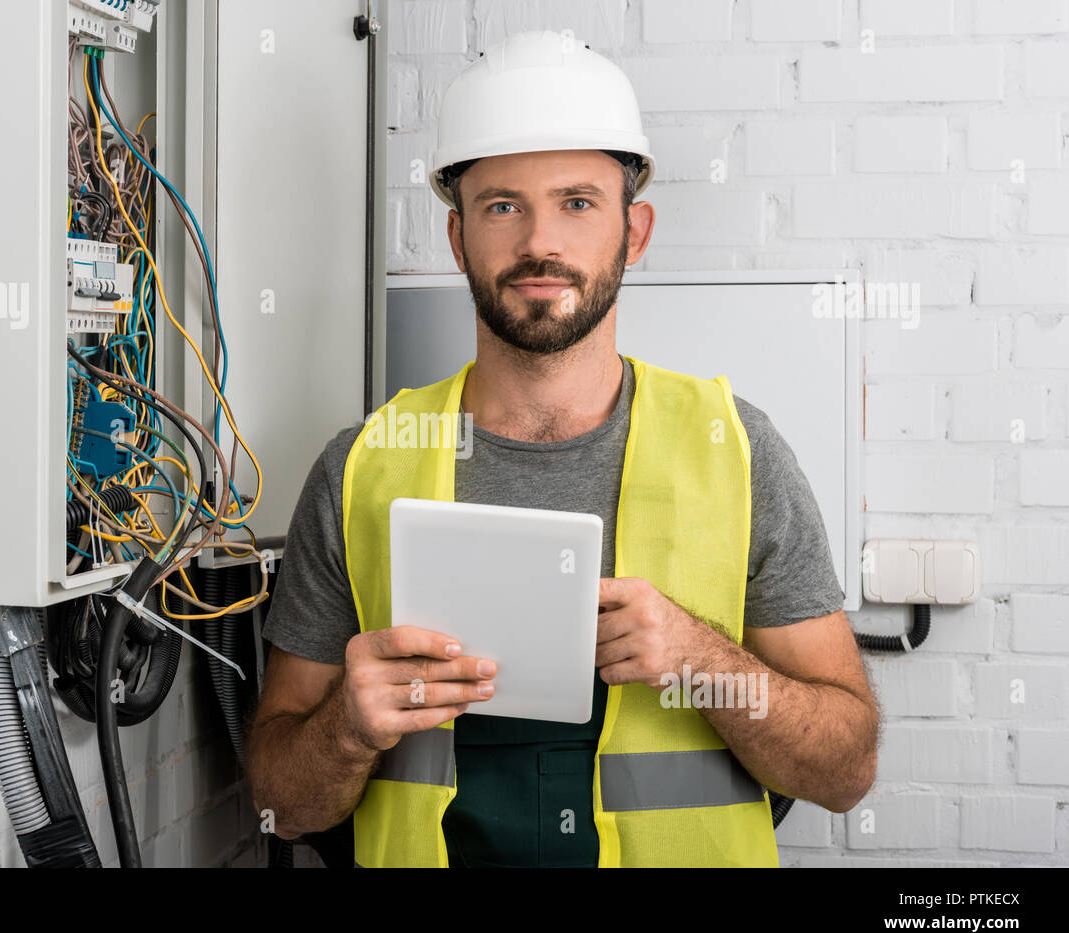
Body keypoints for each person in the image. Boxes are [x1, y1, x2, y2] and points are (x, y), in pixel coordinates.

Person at [247, 30, 878, 867]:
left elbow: (846, 770)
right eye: (503, 205)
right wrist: (348, 725)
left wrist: (697, 657)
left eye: (578, 202)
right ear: (457, 237)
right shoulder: (362, 467)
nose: (540, 243)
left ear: (635, 231)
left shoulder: (734, 450)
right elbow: (276, 805)